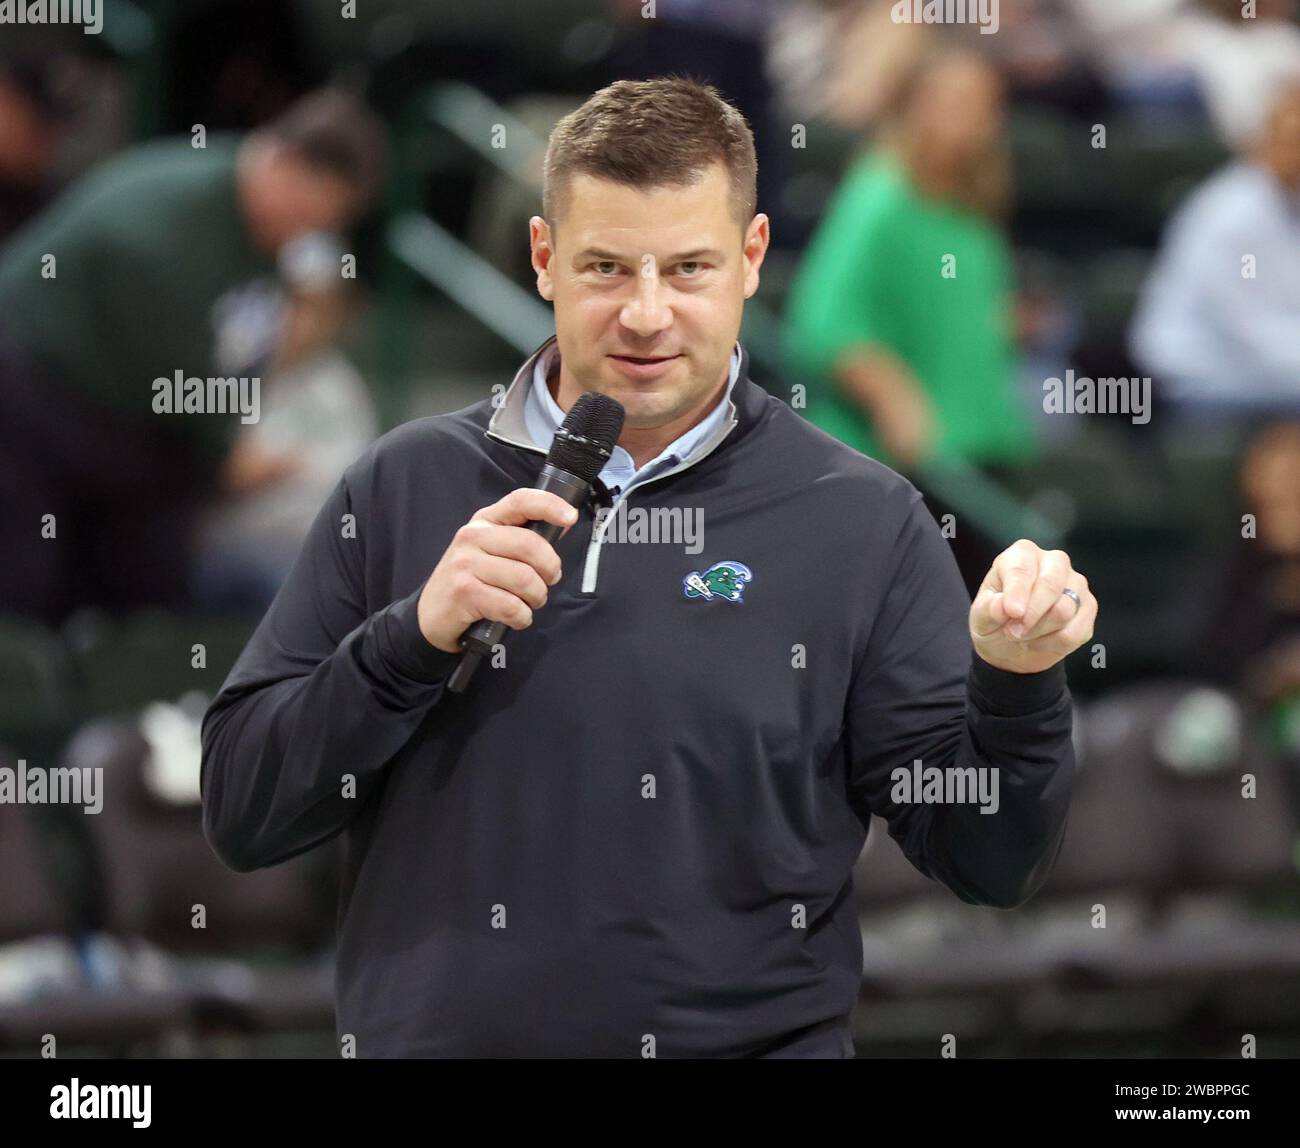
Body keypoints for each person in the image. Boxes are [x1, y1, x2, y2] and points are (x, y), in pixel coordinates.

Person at [200, 78, 1096, 1059]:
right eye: (605, 266)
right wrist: (406, 641)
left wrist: (1015, 685)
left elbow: (992, 860)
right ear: (542, 259)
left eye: (689, 267)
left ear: (752, 258)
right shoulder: (403, 483)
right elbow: (246, 809)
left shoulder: (863, 520)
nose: (646, 313)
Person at [0, 88, 387, 623]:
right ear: (285, 166)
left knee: (146, 573)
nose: (309, 233)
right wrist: (227, 457)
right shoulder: (170, 228)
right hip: (29, 394)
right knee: (24, 582)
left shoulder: (252, 227)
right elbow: (183, 378)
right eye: (309, 214)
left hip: (103, 416)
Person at [781, 48, 1037, 593]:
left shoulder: (973, 206)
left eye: (983, 105)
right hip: (897, 471)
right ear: (911, 106)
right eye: (952, 101)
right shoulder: (881, 193)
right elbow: (822, 318)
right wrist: (892, 392)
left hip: (976, 458)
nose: (970, 119)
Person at [1129, 78, 1300, 414]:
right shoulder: (1231, 212)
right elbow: (1248, 331)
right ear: (1265, 140)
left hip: (1269, 376)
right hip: (1201, 377)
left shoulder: (1291, 204)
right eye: (1291, 140)